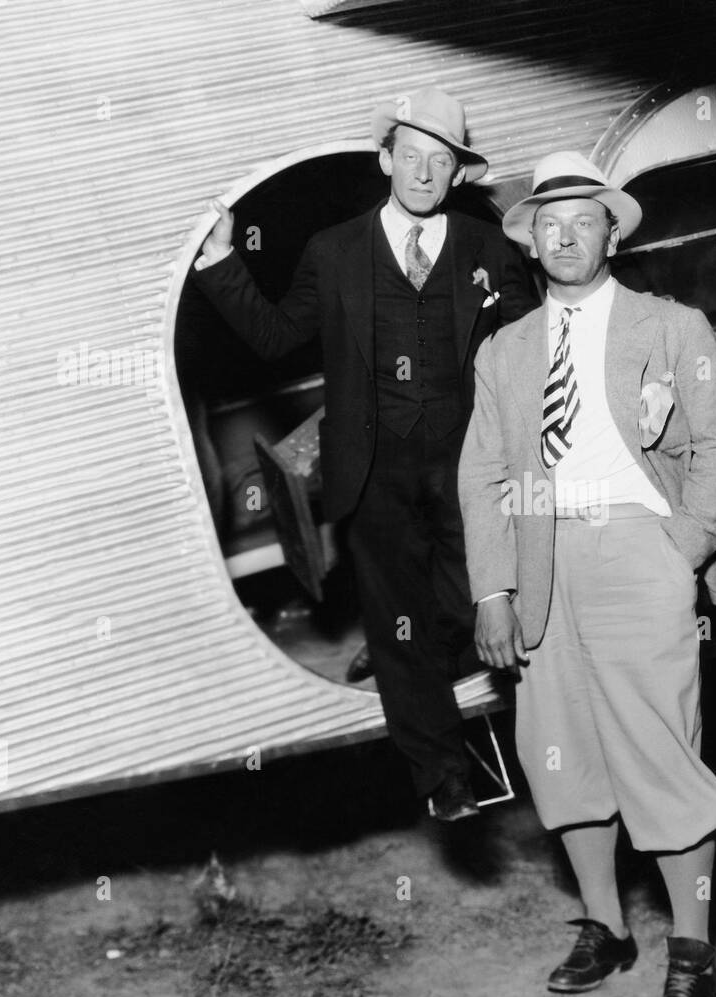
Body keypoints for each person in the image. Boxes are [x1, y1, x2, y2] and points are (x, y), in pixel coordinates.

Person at [193, 88, 536, 821]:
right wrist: (224, 261)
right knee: (396, 617)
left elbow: (530, 349)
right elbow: (277, 335)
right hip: (371, 471)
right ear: (385, 160)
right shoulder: (335, 250)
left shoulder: (487, 250)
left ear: (457, 176)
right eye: (410, 157)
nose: (423, 173)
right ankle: (443, 776)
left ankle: (446, 685)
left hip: (465, 463)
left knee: (467, 603)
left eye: (440, 162)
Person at [458, 151, 716, 997]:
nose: (565, 236)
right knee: (562, 759)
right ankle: (607, 929)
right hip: (541, 564)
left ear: (611, 231)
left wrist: (681, 548)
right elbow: (481, 476)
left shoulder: (671, 326)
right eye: (549, 225)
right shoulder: (506, 351)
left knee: (661, 755)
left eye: (583, 220)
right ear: (530, 244)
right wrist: (493, 589)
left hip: (639, 553)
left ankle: (692, 950)